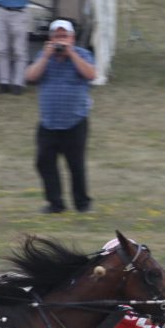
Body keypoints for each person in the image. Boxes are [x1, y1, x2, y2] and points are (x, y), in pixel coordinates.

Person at [25, 19, 95, 214]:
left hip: (75, 122)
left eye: (64, 36)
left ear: (72, 38)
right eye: (57, 36)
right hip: (48, 123)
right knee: (44, 163)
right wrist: (46, 57)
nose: (60, 40)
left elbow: (91, 74)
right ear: (50, 39)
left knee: (76, 165)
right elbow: (30, 76)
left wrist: (71, 53)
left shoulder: (83, 54)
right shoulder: (43, 56)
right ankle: (55, 204)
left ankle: (82, 204)